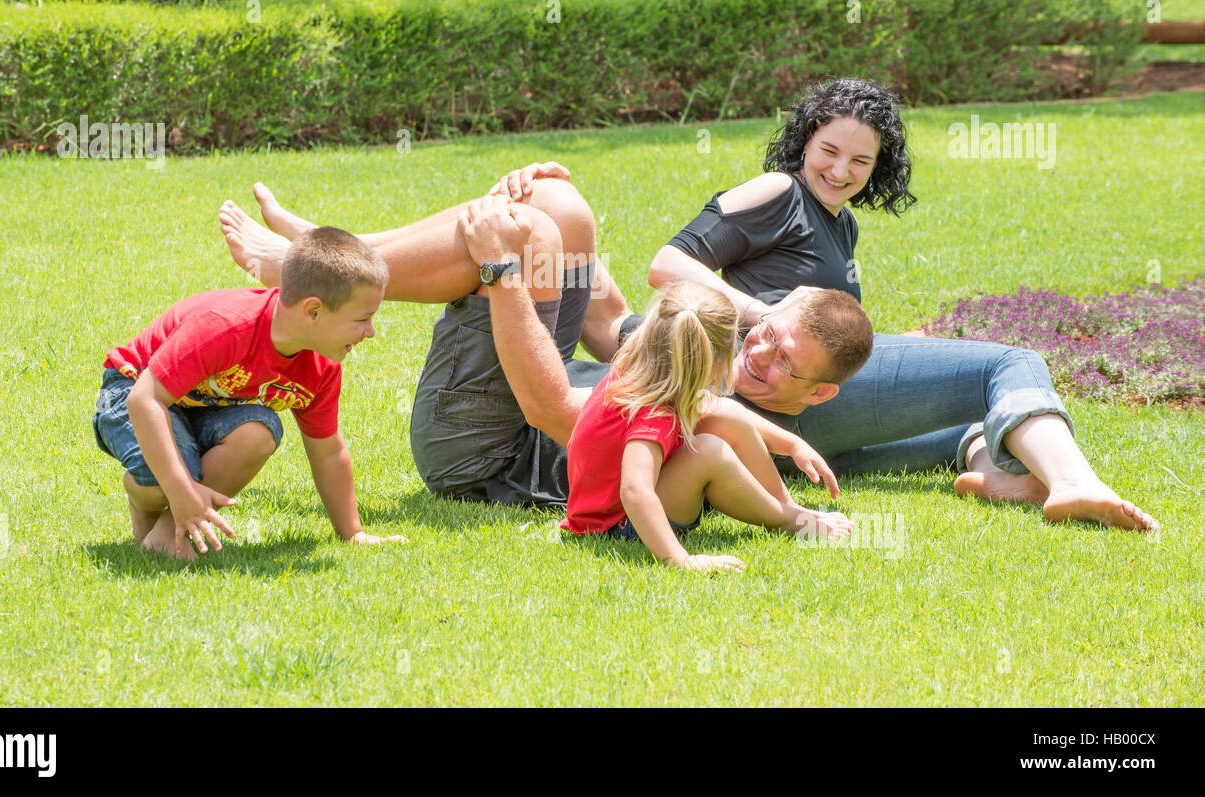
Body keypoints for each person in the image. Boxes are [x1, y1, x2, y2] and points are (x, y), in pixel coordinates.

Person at [633, 76, 1158, 533]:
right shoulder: (777, 191)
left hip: (798, 424)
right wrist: (763, 317)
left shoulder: (842, 223)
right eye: (829, 151)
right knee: (1012, 364)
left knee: (980, 413)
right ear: (804, 141)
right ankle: (1073, 483)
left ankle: (1003, 478)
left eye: (861, 160)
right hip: (771, 388)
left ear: (879, 167)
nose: (841, 171)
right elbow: (667, 264)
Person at [218, 185, 867, 516]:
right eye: (767, 333)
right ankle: (331, 252)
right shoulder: (699, 346)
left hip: (483, 451)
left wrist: (505, 270)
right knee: (558, 209)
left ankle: (316, 268)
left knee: (527, 233)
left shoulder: (708, 408)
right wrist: (551, 205)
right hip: (523, 393)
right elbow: (609, 319)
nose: (760, 355)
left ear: (818, 394)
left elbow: (549, 406)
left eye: (786, 364)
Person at [93, 226, 408, 560]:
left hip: (203, 406)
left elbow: (327, 452)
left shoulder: (320, 366)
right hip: (134, 389)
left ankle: (168, 529)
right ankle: (148, 495)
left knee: (258, 431)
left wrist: (353, 533)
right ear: (313, 311)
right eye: (363, 319)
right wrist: (179, 488)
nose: (370, 332)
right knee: (166, 478)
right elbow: (145, 399)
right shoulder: (226, 327)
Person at [561, 280, 854, 575]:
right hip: (616, 526)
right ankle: (785, 519)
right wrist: (681, 560)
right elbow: (635, 490)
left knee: (727, 414)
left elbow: (717, 407)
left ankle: (787, 506)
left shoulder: (643, 366)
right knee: (711, 453)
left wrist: (792, 444)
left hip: (612, 512)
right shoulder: (654, 413)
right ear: (714, 363)